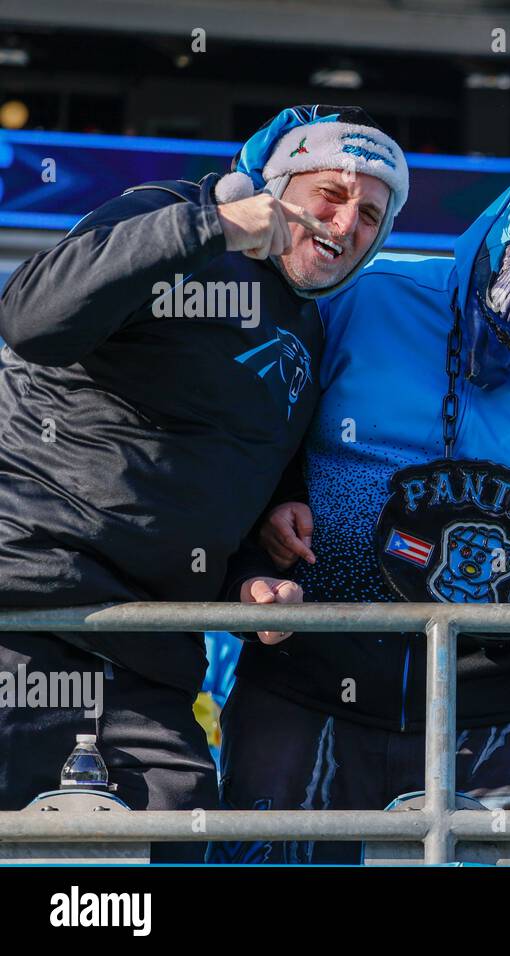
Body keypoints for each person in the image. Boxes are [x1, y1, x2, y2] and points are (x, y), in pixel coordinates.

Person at [217, 144, 510, 865]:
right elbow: (258, 429)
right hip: (309, 684)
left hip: (496, 710)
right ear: (505, 213)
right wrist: (262, 546)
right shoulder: (372, 296)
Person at [0, 105, 408, 860]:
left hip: (146, 656)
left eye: (371, 214)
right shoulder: (167, 213)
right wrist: (213, 226)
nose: (347, 222)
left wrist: (255, 579)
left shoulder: (309, 330)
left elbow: (242, 502)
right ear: (277, 183)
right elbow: (30, 317)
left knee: (180, 838)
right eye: (331, 194)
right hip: (25, 615)